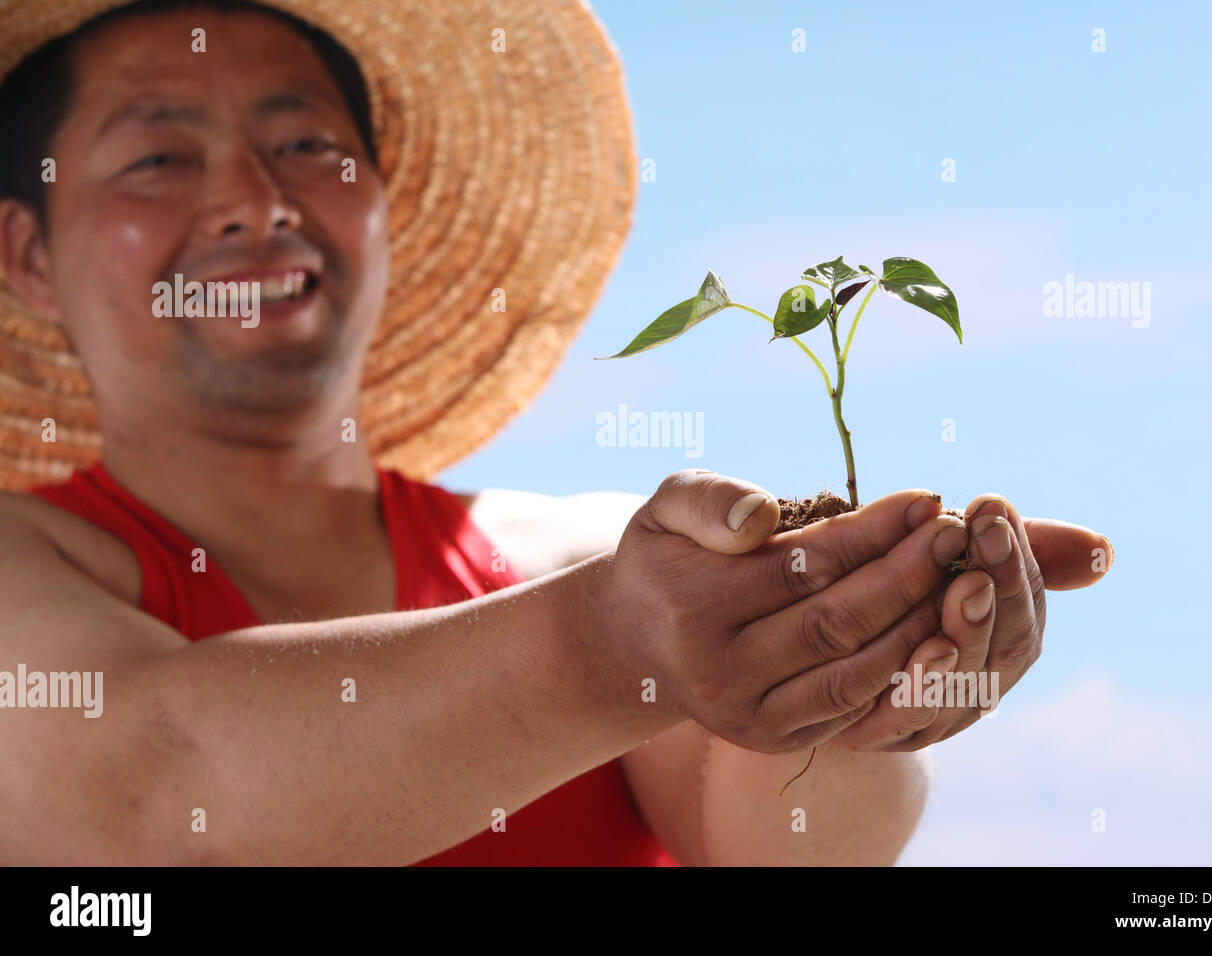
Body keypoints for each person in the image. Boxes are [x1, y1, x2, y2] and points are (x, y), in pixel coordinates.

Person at [0, 0, 1112, 866]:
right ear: (29, 256)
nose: (257, 199)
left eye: (304, 144)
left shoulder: (578, 557)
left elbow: (785, 846)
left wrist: (857, 678)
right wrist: (611, 645)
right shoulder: (27, 569)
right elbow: (146, 792)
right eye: (158, 157)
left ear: (385, 208)